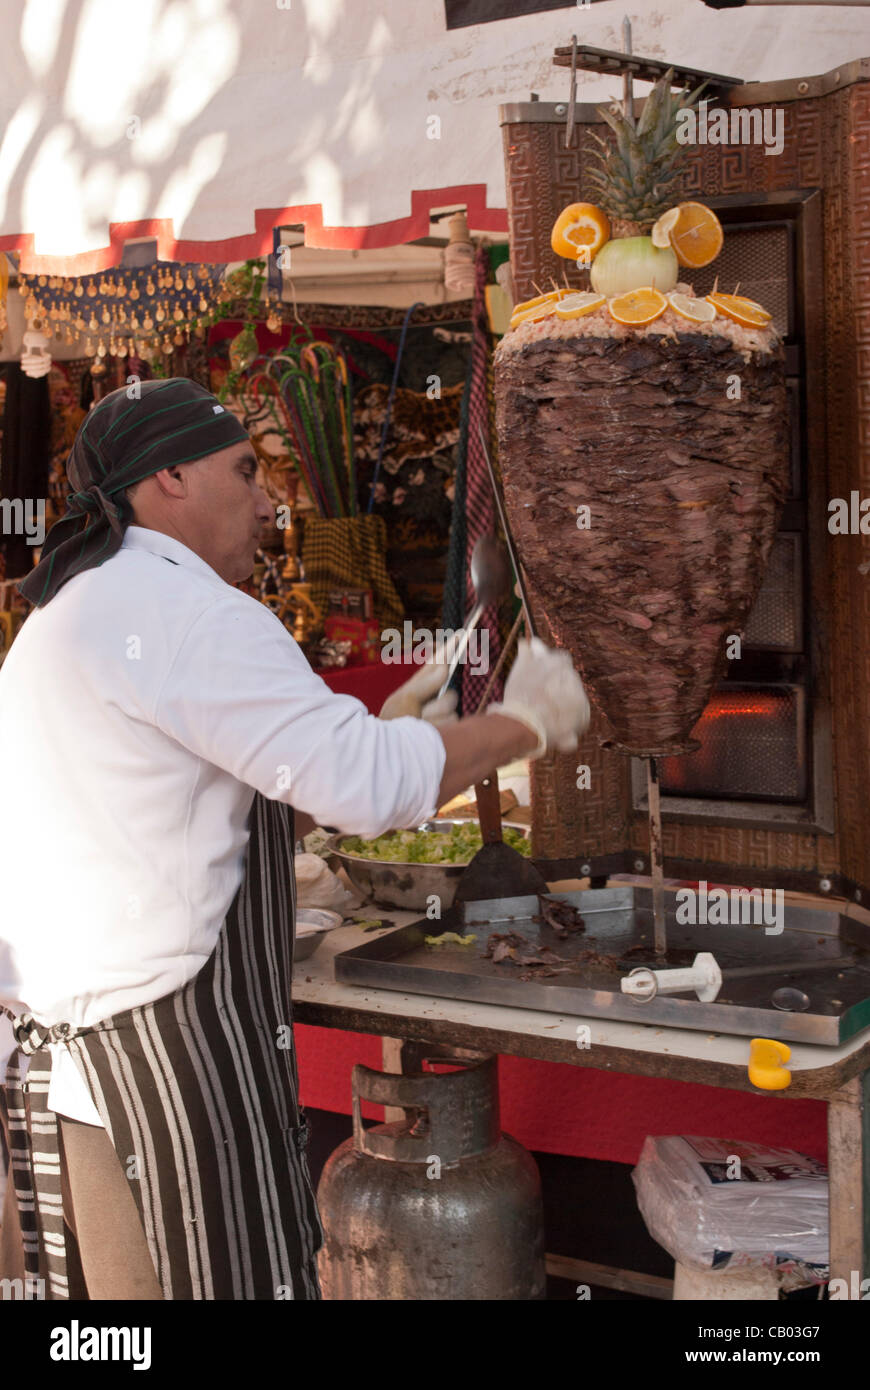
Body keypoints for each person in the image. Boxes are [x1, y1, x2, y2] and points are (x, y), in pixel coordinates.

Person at [0, 377, 589, 1301]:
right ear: (172, 477)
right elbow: (366, 789)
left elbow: (187, 800)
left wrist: (388, 733)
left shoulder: (64, 615)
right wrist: (528, 723)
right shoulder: (191, 613)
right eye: (246, 470)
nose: (271, 501)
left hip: (72, 1072)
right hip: (173, 1072)